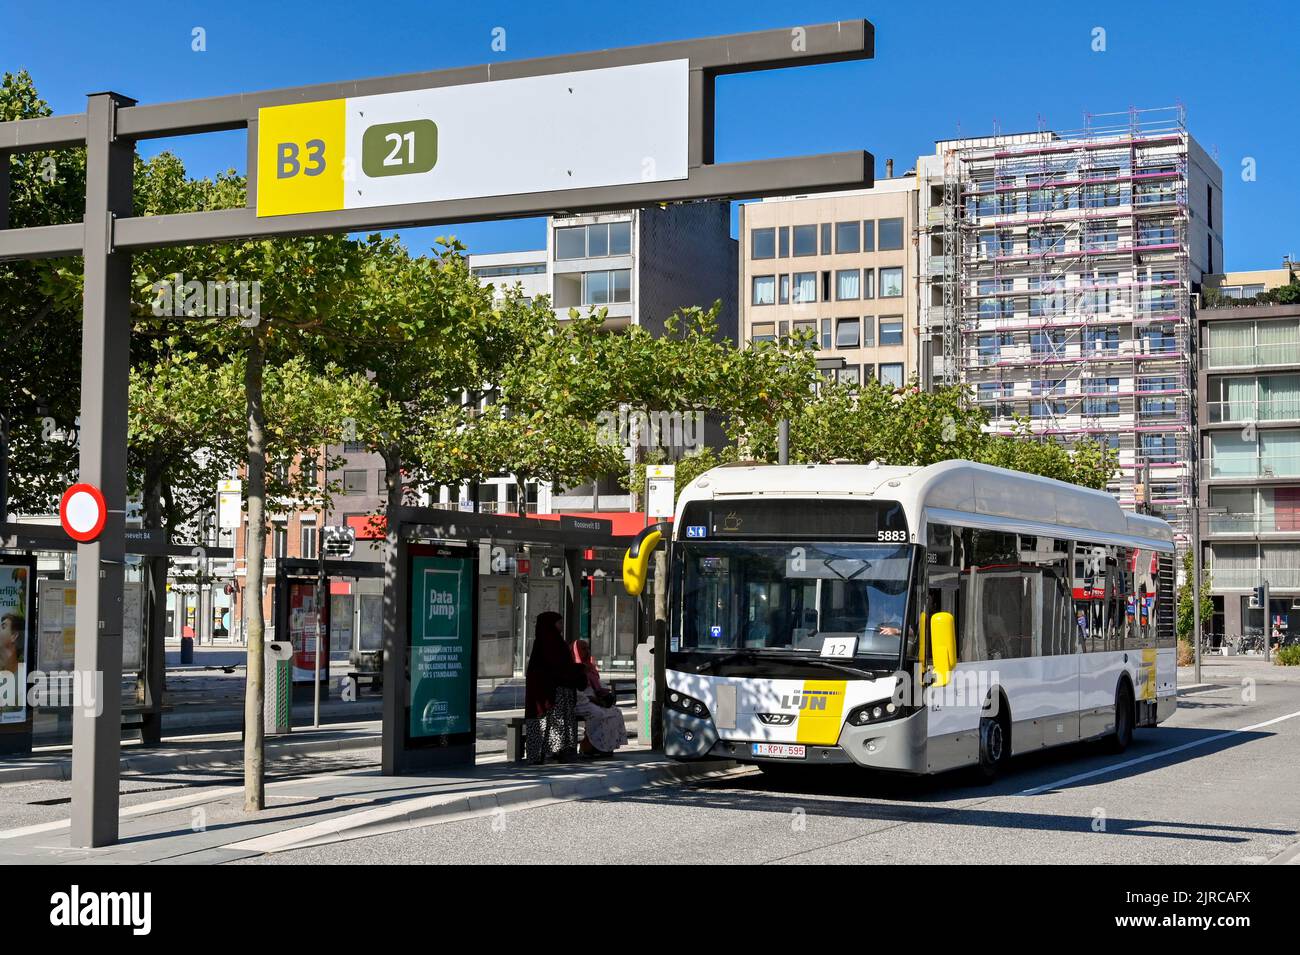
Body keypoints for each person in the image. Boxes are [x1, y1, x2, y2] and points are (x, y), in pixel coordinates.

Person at [523, 612, 587, 765]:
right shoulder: (553, 643)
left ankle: (543, 754)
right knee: (553, 722)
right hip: (551, 694)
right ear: (550, 625)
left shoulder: (544, 642)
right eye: (559, 623)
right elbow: (559, 668)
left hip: (544, 695)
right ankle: (553, 752)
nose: (561, 626)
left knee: (547, 722)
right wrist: (579, 670)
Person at [572, 639, 628, 757]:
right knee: (599, 714)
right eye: (583, 649)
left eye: (588, 648)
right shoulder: (574, 667)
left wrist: (603, 695)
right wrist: (594, 699)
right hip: (580, 700)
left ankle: (605, 747)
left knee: (616, 712)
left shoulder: (590, 667)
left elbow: (596, 685)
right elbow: (578, 691)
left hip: (593, 698)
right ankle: (589, 746)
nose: (587, 651)